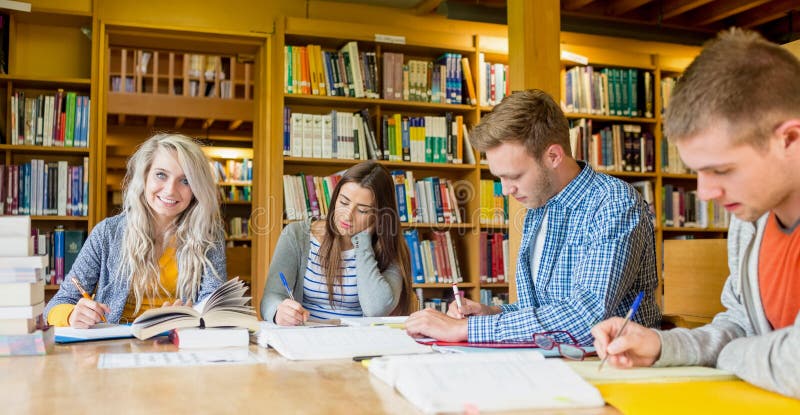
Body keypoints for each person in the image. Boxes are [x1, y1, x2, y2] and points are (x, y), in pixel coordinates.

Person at [591, 29, 800, 399]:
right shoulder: (749, 221)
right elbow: (739, 325)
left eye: (721, 170)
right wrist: (660, 345)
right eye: (698, 172)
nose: (704, 193)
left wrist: (730, 353)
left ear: (790, 139)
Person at [405, 89, 660, 345]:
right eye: (500, 178)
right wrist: (490, 313)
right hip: (551, 362)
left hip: (608, 366)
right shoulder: (539, 207)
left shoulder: (613, 203)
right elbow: (541, 311)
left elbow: (587, 319)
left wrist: (465, 330)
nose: (505, 190)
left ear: (553, 156)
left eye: (514, 176)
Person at [44, 133, 227, 328]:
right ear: (144, 177)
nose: (170, 190)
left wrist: (190, 316)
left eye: (185, 181)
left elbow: (213, 305)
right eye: (161, 175)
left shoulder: (208, 236)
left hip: (174, 343)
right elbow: (56, 305)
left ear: (196, 188)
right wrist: (72, 315)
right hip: (114, 345)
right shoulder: (107, 233)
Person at [262, 160, 412, 325]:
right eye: (344, 202)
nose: (347, 216)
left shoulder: (390, 248)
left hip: (359, 345)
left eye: (362, 210)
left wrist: (362, 242)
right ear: (335, 197)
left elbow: (376, 308)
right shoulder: (297, 235)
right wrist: (278, 311)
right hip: (305, 341)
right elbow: (271, 296)